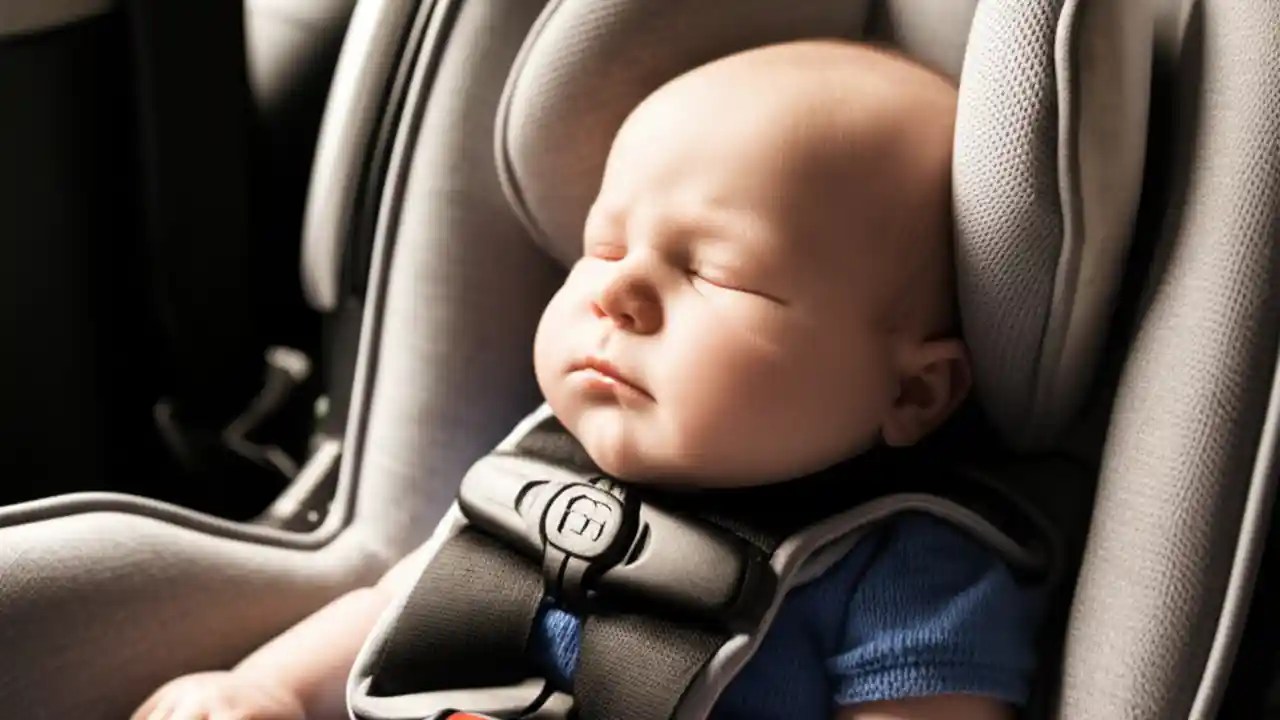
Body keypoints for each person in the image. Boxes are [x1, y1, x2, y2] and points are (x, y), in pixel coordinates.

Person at [133, 39, 1042, 720]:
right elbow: (395, 610)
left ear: (913, 394)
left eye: (716, 273)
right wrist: (262, 687)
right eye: (601, 249)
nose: (616, 293)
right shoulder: (536, 478)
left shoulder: (904, 571)